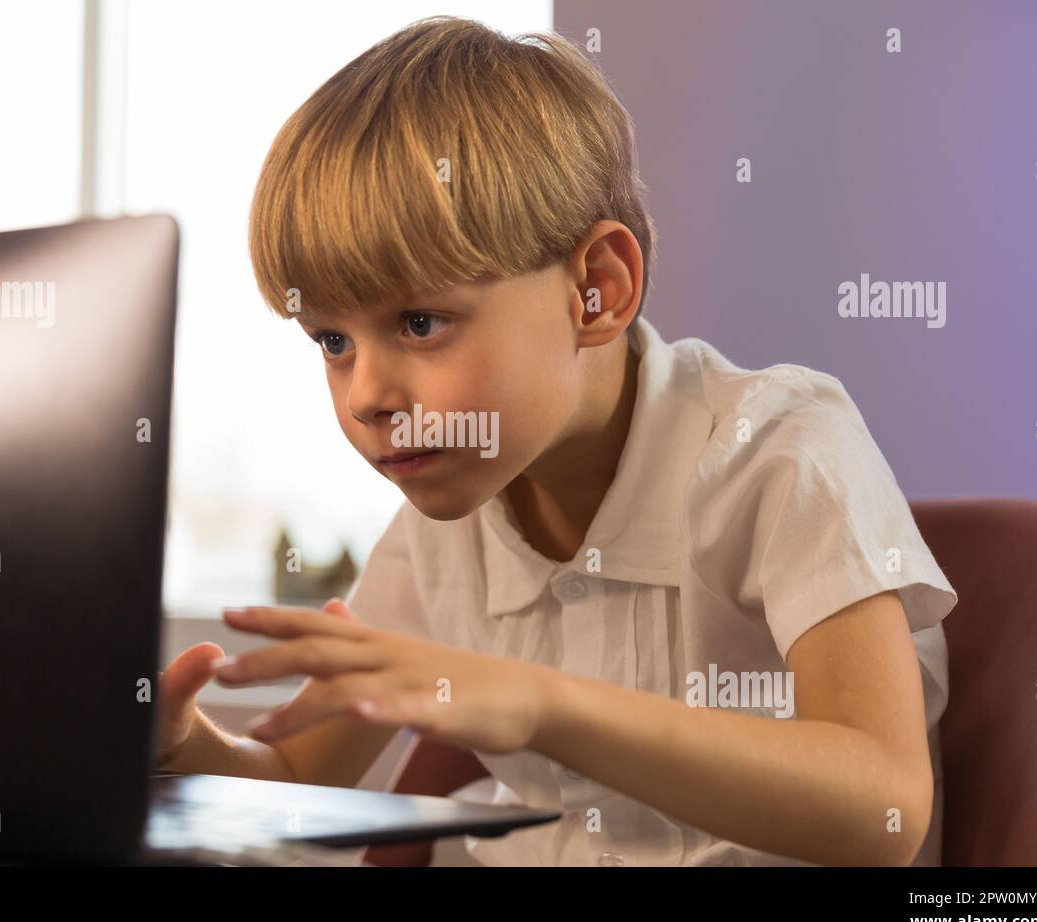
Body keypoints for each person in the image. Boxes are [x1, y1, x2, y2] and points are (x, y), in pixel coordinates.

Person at [157, 15, 957, 867]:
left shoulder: (782, 451)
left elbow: (885, 809)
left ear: (597, 291)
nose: (366, 397)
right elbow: (289, 777)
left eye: (420, 322)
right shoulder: (443, 527)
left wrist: (540, 703)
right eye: (332, 341)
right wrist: (182, 752)